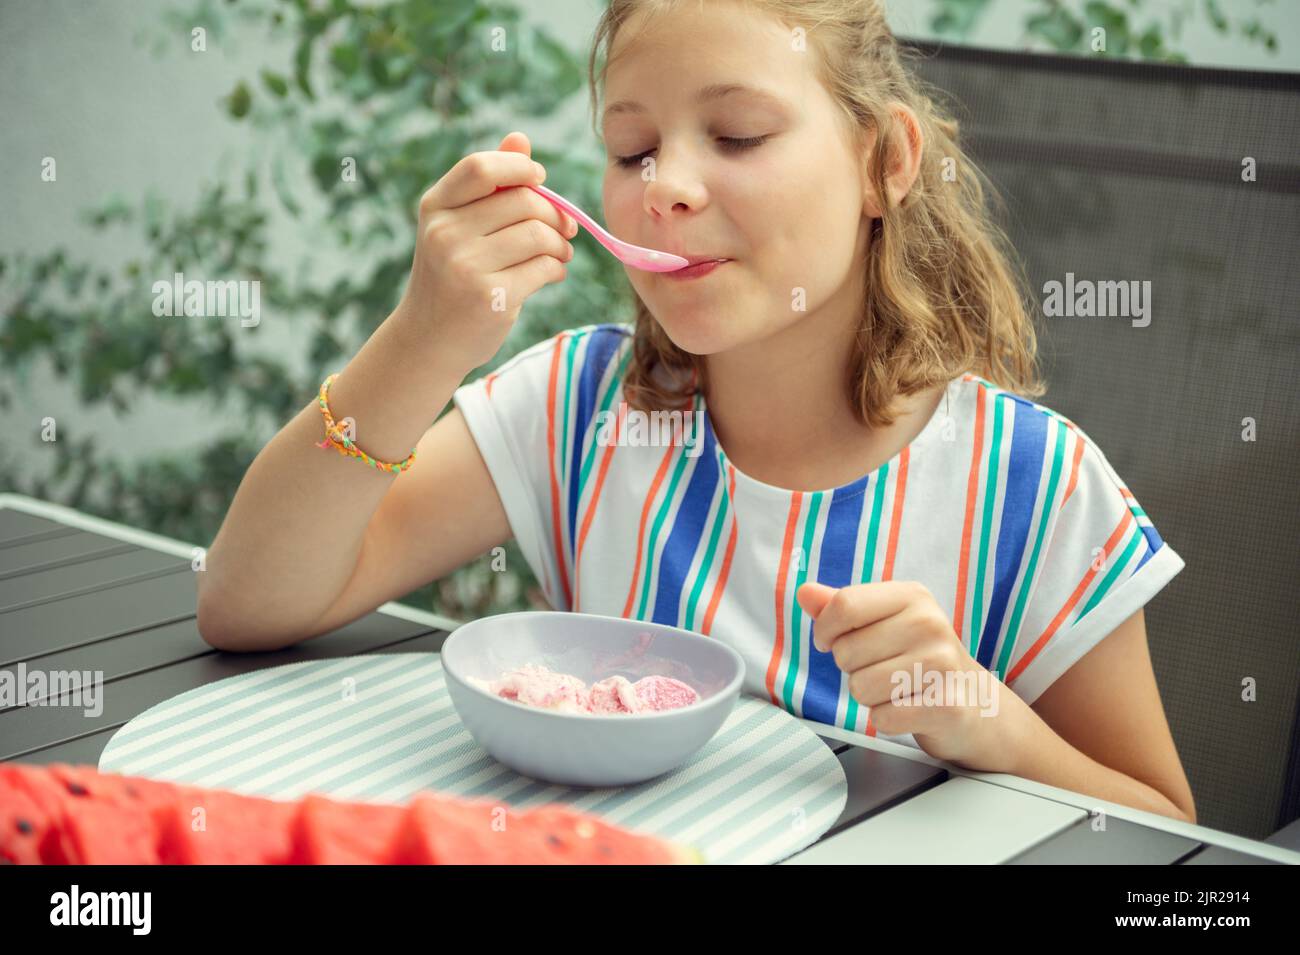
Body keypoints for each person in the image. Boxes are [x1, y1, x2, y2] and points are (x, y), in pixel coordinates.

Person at [198, 0, 1196, 823]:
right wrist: (423, 337)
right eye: (632, 148)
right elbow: (252, 601)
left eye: (737, 134)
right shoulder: (577, 410)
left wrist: (984, 721)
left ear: (884, 161)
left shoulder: (1032, 483)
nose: (664, 185)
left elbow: (1168, 836)